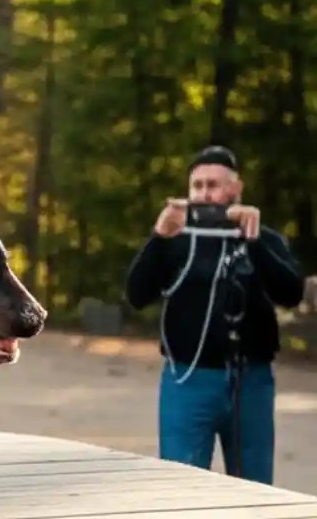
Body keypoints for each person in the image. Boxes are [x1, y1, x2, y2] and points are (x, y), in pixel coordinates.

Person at [125, 145, 305, 484]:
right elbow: (136, 294)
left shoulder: (264, 239)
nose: (205, 194)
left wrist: (253, 243)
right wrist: (158, 238)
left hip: (251, 381)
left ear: (235, 189)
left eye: (214, 185)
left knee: (253, 488)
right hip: (188, 379)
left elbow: (291, 293)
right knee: (181, 483)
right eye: (198, 186)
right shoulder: (177, 241)